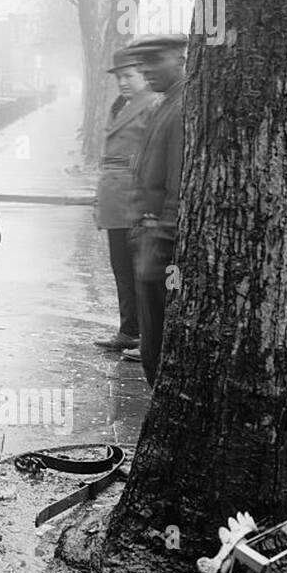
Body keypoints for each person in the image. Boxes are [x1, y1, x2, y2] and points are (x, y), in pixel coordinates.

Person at [124, 34, 188, 385]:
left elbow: (178, 182)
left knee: (159, 341)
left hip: (163, 245)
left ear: (180, 58)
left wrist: (163, 238)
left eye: (155, 60)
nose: (146, 69)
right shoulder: (165, 103)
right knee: (152, 338)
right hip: (149, 237)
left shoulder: (181, 107)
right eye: (142, 62)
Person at [92, 47, 157, 353]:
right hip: (114, 200)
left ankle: (148, 337)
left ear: (144, 74)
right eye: (119, 77)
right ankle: (128, 330)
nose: (123, 83)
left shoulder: (152, 105)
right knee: (121, 269)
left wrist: (149, 203)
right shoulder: (120, 105)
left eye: (129, 76)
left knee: (141, 271)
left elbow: (154, 157)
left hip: (136, 199)